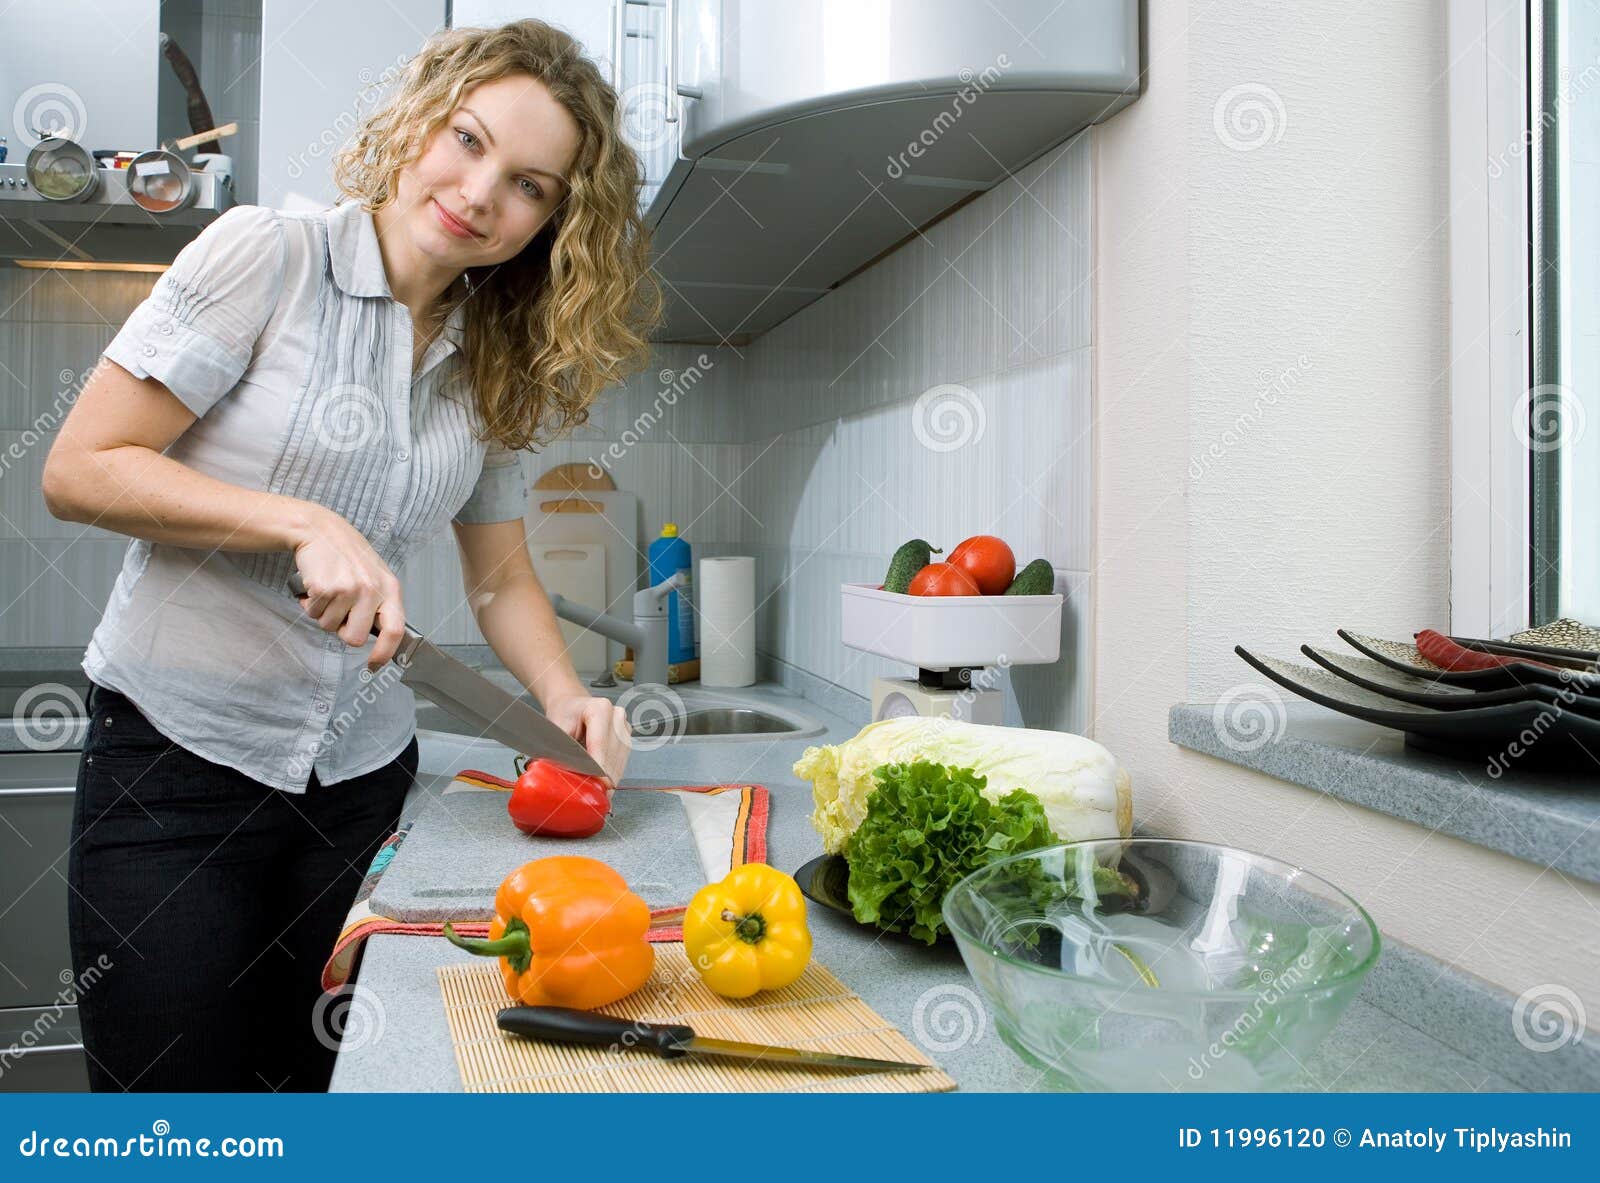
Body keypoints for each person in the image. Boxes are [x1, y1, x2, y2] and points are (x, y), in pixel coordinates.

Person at [39, 19, 662, 1092]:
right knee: (171, 1126)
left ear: (555, 220)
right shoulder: (266, 256)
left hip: (361, 794)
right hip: (175, 777)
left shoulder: (494, 359)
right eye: (467, 140)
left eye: (528, 185)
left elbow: (502, 575)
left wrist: (564, 699)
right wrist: (301, 521)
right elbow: (81, 469)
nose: (478, 192)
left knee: (322, 1099)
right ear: (419, 121)